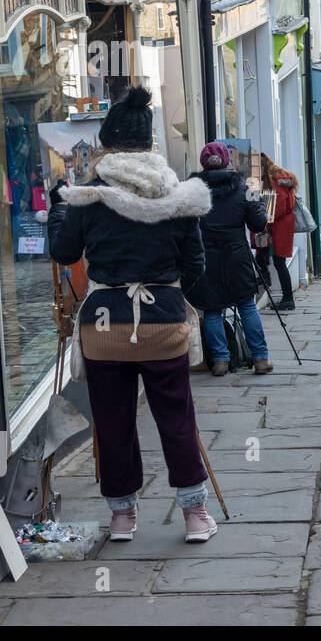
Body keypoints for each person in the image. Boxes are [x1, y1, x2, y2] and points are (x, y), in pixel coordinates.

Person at [47, 86, 218, 544]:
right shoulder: (180, 199)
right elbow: (196, 269)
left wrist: (57, 210)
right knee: (176, 418)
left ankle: (123, 516)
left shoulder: (90, 199)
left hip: (105, 328)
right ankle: (195, 515)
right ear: (148, 144)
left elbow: (64, 252)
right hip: (162, 322)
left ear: (108, 144)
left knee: (114, 421)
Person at [187, 142, 272, 377]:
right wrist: (260, 203)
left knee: (212, 310)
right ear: (226, 161)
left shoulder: (192, 190)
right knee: (246, 305)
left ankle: (221, 361)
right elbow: (258, 223)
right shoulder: (245, 187)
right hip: (237, 257)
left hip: (207, 259)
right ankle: (260, 358)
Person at [259, 154, 298, 311]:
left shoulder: (276, 180)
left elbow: (279, 207)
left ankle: (288, 299)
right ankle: (284, 295)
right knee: (272, 259)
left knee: (280, 262)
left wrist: (266, 219)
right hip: (282, 224)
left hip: (281, 225)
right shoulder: (280, 178)